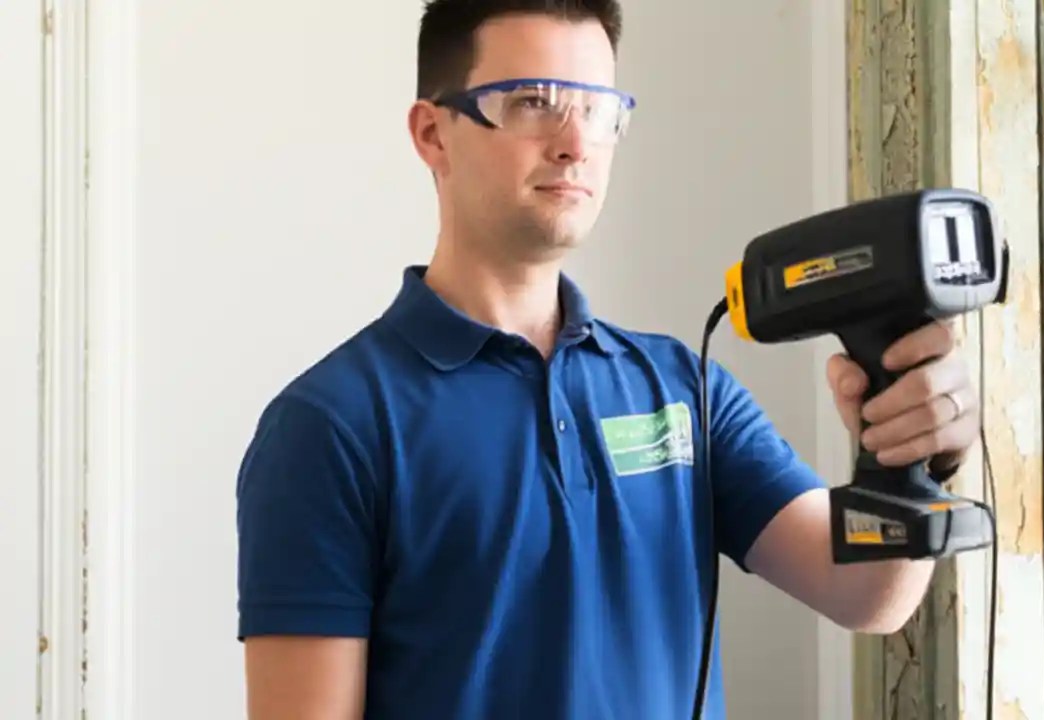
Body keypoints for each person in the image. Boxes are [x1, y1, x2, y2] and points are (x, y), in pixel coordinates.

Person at [234, 1, 982, 718]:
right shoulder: (330, 426)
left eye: (597, 108)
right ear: (432, 134)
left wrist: (907, 458)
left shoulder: (682, 389)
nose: (574, 140)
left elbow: (868, 597)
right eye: (530, 101)